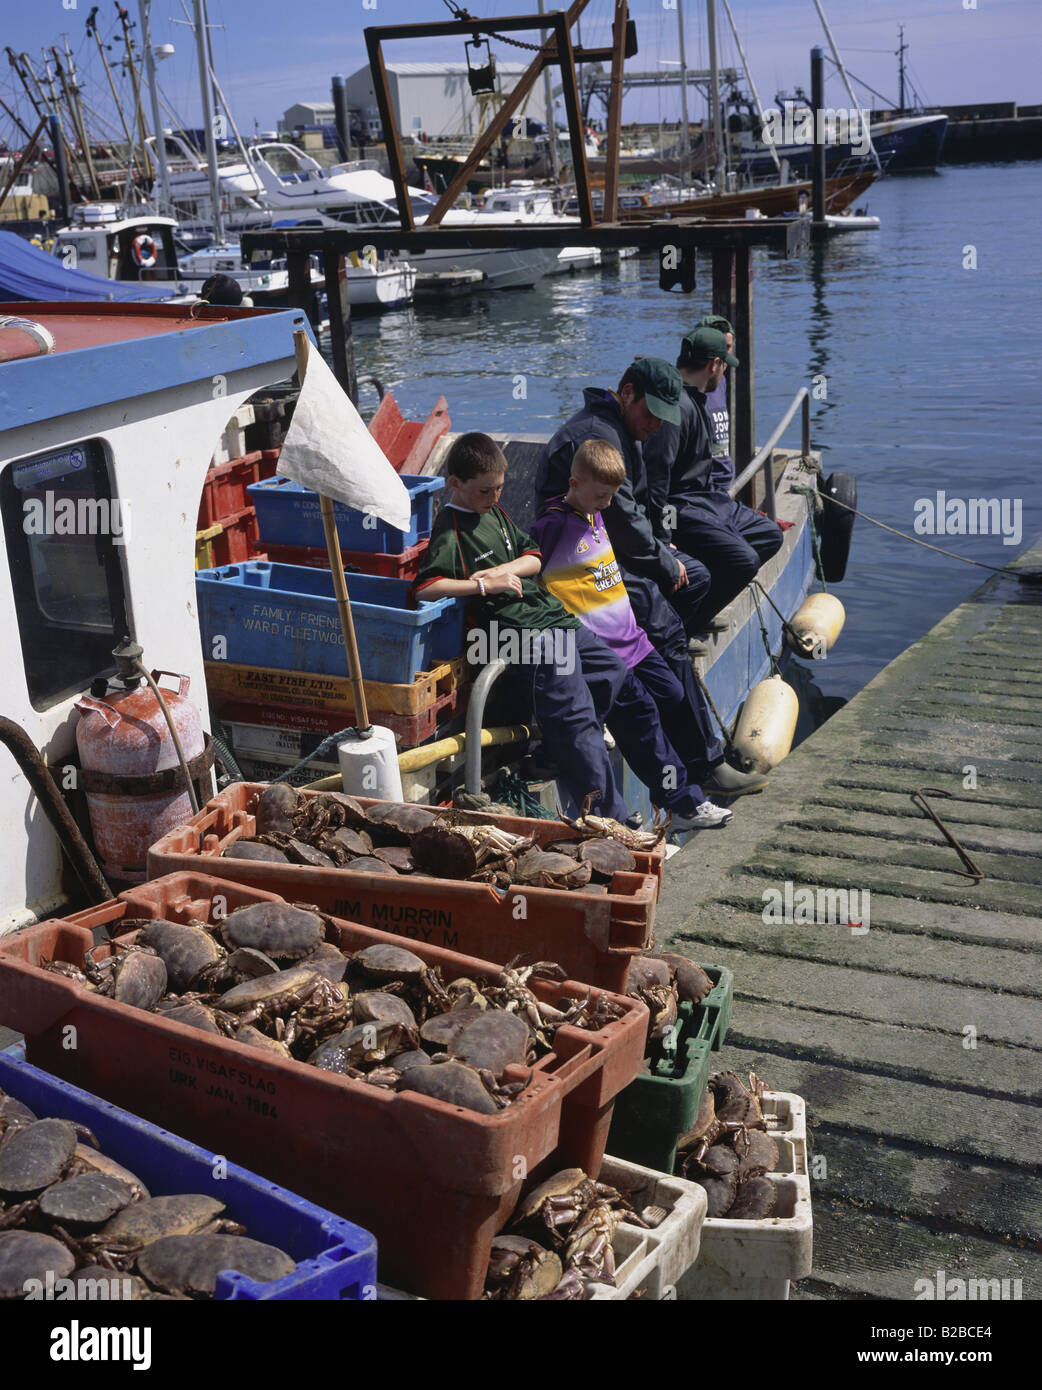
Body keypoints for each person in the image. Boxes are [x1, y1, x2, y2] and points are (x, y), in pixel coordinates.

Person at [415, 434, 736, 827]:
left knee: (624, 685)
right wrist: (484, 585)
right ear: (456, 484)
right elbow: (426, 587)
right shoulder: (451, 529)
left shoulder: (495, 514)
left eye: (500, 488)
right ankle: (610, 820)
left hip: (552, 618)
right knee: (578, 719)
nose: (496, 497)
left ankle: (680, 802)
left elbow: (531, 556)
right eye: (486, 490)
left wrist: (504, 570)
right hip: (517, 635)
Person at [537, 361, 768, 798]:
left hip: (607, 556)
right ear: (627, 394)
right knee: (665, 625)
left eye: (665, 416)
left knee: (686, 592)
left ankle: (693, 745)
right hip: (584, 570)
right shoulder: (597, 436)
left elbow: (640, 511)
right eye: (651, 413)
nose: (657, 424)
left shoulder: (620, 427)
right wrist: (664, 561)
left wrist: (664, 548)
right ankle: (704, 765)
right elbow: (622, 519)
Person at [644, 324, 784, 636]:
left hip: (707, 501)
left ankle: (702, 603)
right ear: (714, 365)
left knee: (769, 534)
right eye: (724, 366)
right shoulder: (675, 408)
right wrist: (662, 538)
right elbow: (656, 481)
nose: (724, 374)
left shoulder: (696, 400)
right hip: (680, 508)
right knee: (744, 561)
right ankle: (680, 628)